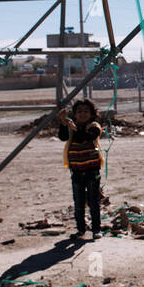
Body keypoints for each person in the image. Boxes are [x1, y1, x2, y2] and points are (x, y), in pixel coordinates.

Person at [57, 99, 104, 238]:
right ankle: (81, 230)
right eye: (79, 111)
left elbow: (86, 138)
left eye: (86, 111)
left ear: (91, 114)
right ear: (74, 114)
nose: (82, 114)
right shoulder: (72, 127)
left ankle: (96, 230)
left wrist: (72, 128)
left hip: (92, 170)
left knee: (93, 201)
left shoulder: (94, 126)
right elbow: (62, 136)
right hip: (76, 170)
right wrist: (63, 124)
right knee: (78, 202)